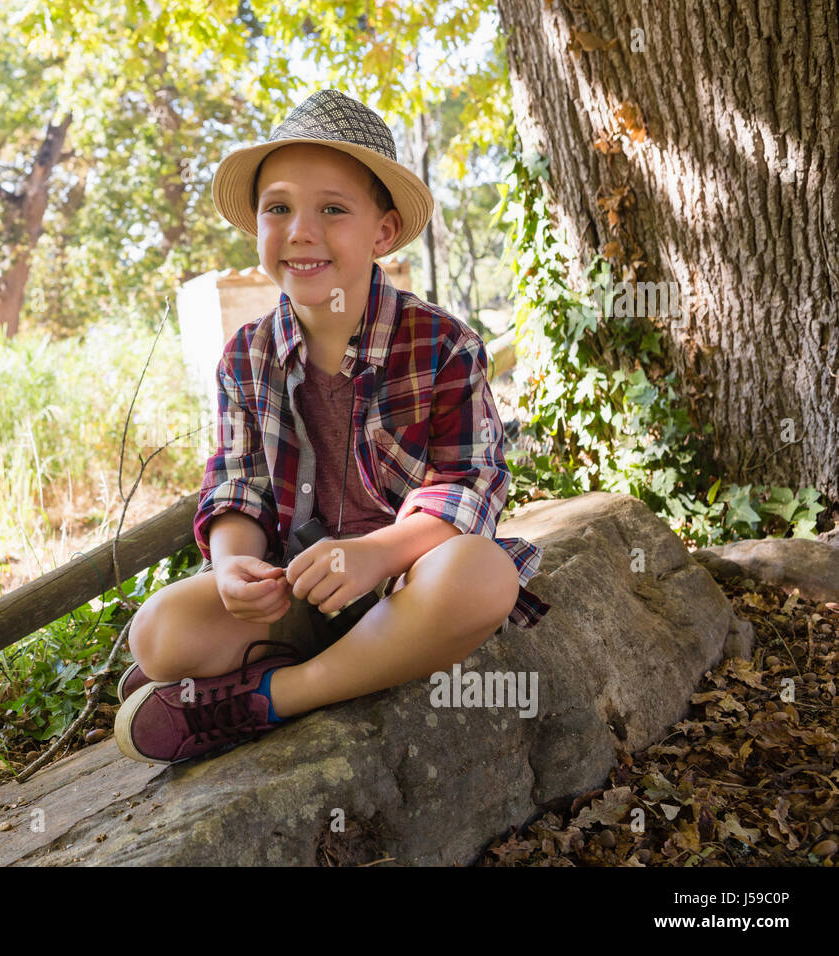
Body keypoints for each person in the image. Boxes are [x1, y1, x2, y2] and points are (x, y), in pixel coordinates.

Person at [114, 89, 550, 765]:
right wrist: (233, 567)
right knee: (157, 633)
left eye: (333, 210)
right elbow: (236, 486)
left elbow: (467, 487)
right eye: (278, 207)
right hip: (297, 586)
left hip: (405, 583)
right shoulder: (246, 355)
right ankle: (270, 659)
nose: (300, 230)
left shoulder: (441, 346)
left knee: (483, 576)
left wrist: (375, 553)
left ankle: (272, 695)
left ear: (382, 232)